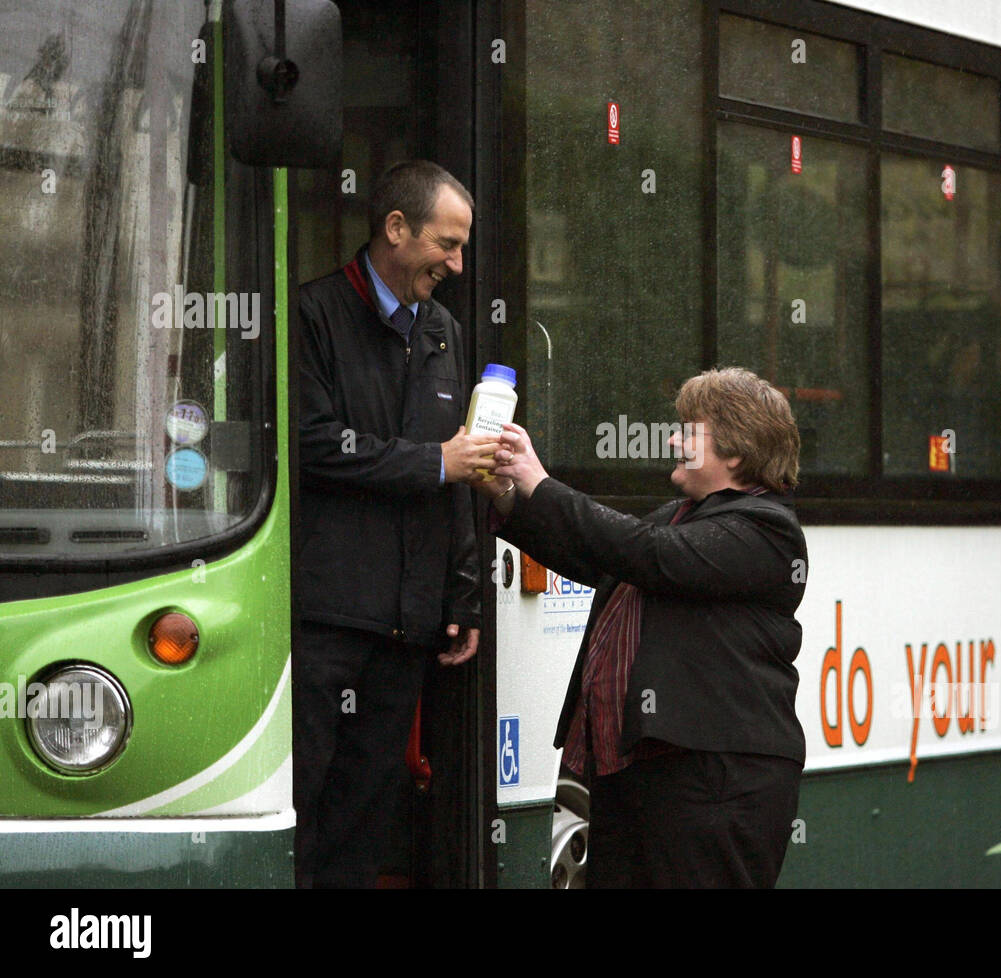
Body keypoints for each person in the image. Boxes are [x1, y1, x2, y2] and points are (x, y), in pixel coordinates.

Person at [479, 367, 807, 887]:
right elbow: (601, 554)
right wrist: (507, 497)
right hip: (642, 773)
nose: (673, 439)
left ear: (736, 451)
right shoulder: (684, 516)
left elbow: (648, 554)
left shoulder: (766, 529)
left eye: (689, 430)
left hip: (716, 782)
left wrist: (539, 482)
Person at [293, 160, 499, 888]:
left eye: (462, 246)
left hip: (408, 624)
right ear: (395, 229)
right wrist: (433, 463)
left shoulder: (443, 329)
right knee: (305, 801)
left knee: (368, 811)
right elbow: (311, 446)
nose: (457, 263)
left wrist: (464, 594)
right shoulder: (311, 315)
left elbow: (461, 472)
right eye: (447, 244)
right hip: (326, 616)